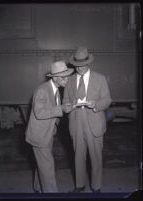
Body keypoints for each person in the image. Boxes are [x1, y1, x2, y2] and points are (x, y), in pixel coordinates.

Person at [63, 47, 112, 193]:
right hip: (76, 122)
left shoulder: (100, 78)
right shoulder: (70, 80)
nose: (80, 68)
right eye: (77, 65)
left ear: (89, 63)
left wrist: (96, 105)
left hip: (95, 122)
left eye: (83, 65)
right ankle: (80, 185)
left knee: (96, 157)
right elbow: (65, 99)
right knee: (78, 156)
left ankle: (96, 187)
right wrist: (68, 107)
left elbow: (107, 99)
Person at [25, 61, 74, 193]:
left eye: (68, 76)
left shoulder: (55, 89)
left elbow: (53, 110)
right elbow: (39, 113)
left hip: (47, 133)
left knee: (42, 163)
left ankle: (38, 187)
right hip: (40, 136)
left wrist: (63, 110)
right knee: (47, 166)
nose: (67, 79)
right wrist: (61, 109)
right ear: (55, 77)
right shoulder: (42, 90)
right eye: (64, 77)